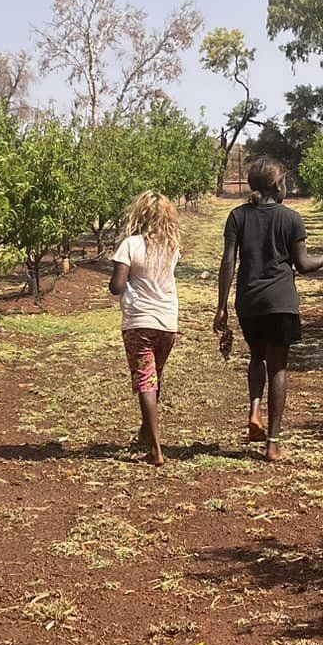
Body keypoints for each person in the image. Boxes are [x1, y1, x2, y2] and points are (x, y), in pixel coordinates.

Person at [213, 156, 323, 462]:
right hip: (281, 303)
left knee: (256, 357)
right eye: (284, 181)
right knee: (278, 368)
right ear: (277, 185)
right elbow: (303, 265)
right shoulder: (291, 219)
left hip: (249, 303)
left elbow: (227, 263)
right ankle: (272, 442)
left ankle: (255, 409)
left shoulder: (237, 216)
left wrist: (221, 307)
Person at [110, 190, 182, 467]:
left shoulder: (130, 245)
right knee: (154, 377)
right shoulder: (172, 246)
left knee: (145, 381)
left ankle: (155, 449)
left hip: (139, 321)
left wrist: (117, 275)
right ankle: (144, 433)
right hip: (167, 322)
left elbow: (117, 286)